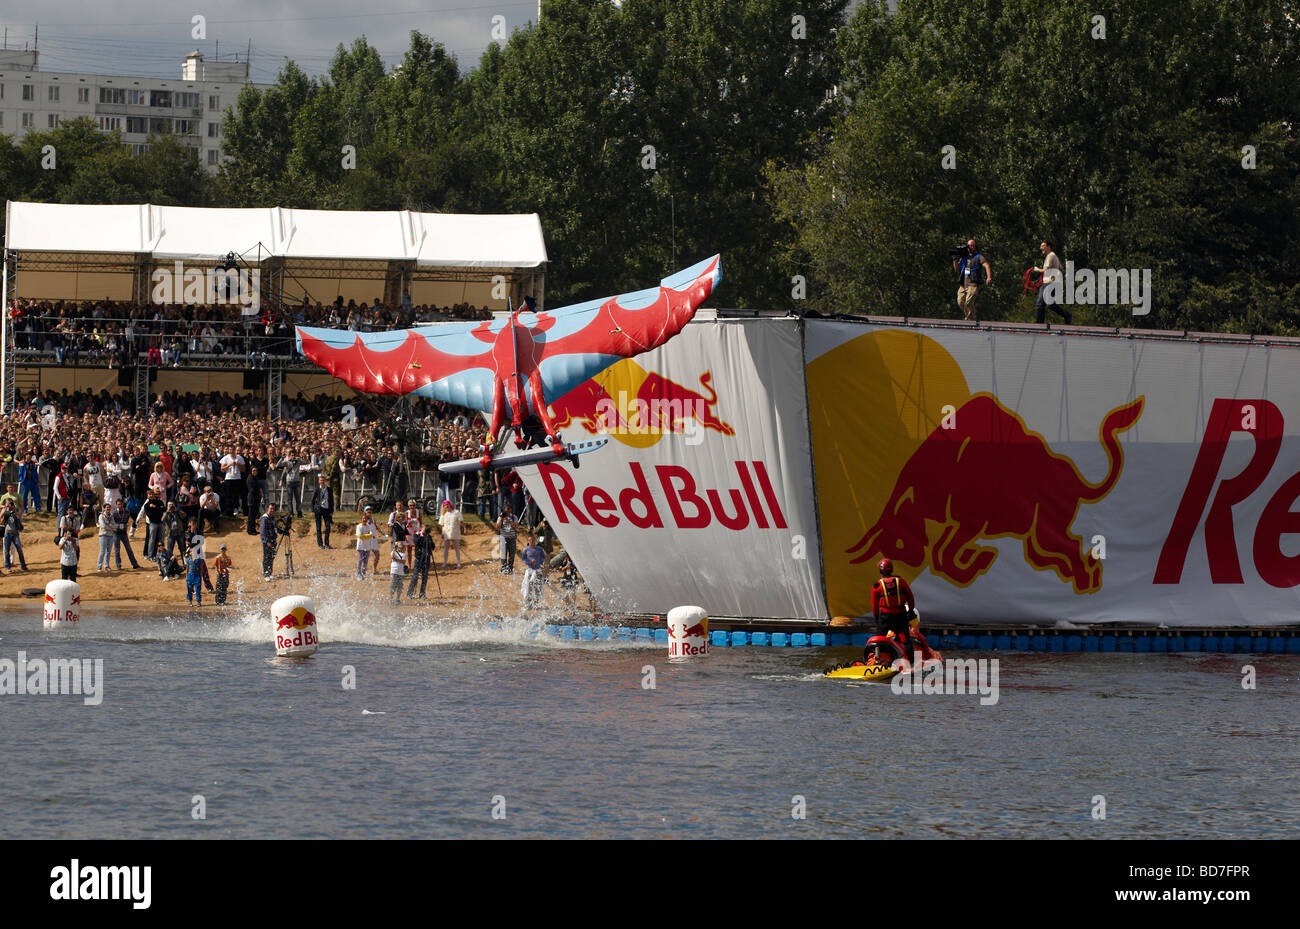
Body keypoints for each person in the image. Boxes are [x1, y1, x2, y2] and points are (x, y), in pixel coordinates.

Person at [871, 558, 917, 661]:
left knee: (879, 639)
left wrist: (876, 618)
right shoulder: (900, 581)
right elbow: (910, 597)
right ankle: (912, 663)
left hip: (885, 617)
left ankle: (876, 660)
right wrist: (910, 610)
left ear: (880, 570)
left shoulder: (877, 585)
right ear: (891, 569)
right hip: (900, 615)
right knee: (905, 640)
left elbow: (874, 605)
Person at [1032, 239, 1072, 324]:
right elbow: (1061, 268)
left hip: (1049, 283)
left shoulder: (1050, 255)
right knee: (1050, 305)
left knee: (1040, 304)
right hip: (1051, 283)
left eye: (1043, 246)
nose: (1041, 248)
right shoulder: (1054, 256)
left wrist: (1036, 269)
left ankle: (1039, 325)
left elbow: (1045, 269)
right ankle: (1066, 315)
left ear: (1048, 247)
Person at [953, 238, 992, 321]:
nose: (971, 247)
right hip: (963, 284)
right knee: (960, 302)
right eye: (969, 245)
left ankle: (969, 318)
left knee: (968, 302)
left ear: (975, 247)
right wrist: (955, 260)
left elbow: (987, 265)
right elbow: (957, 269)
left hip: (973, 284)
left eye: (972, 245)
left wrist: (989, 277)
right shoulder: (963, 257)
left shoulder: (979, 257)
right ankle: (973, 313)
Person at [355, 506, 386, 579]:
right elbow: (359, 511)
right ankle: (360, 572)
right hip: (366, 541)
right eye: (367, 510)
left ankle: (374, 569)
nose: (369, 511)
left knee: (377, 555)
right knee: (362, 558)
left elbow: (376, 527)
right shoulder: (363, 520)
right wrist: (360, 503)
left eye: (370, 510)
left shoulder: (373, 519)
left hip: (373, 539)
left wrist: (383, 533)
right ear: (365, 512)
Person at [111, 498, 142, 570]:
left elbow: (127, 520)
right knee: (117, 550)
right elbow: (112, 523)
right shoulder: (114, 513)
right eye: (118, 504)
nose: (120, 505)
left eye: (121, 504)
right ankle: (118, 565)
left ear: (123, 504)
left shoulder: (127, 512)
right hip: (116, 533)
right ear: (116, 505)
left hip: (124, 533)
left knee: (129, 549)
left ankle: (135, 564)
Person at [407, 523, 434, 600]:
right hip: (419, 558)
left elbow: (433, 547)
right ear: (421, 528)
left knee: (425, 577)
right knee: (415, 576)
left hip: (426, 558)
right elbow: (417, 543)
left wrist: (428, 539)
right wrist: (422, 535)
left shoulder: (429, 537)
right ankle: (410, 593)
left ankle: (422, 594)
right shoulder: (417, 535)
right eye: (425, 529)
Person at [520, 533, 545, 610]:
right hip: (529, 570)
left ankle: (537, 603)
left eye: (533, 540)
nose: (532, 542)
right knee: (528, 586)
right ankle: (528, 604)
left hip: (538, 569)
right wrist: (529, 562)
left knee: (538, 586)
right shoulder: (526, 549)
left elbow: (543, 557)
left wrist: (540, 561)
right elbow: (523, 559)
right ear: (528, 541)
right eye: (530, 540)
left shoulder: (539, 549)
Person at [2, 502, 28, 571]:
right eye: (8, 504)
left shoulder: (16, 510)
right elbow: (1, 519)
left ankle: (23, 565)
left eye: (10, 504)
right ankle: (7, 566)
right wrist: (4, 510)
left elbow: (19, 516)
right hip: (7, 533)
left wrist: (14, 510)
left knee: (19, 549)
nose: (9, 506)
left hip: (15, 533)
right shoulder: (5, 512)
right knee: (6, 550)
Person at [310, 475, 334, 548]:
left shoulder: (329, 490)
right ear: (318, 481)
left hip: (326, 510)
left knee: (327, 527)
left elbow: (332, 501)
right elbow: (312, 500)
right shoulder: (317, 489)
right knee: (318, 527)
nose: (322, 482)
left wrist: (331, 510)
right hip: (318, 510)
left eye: (323, 480)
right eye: (320, 480)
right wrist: (312, 510)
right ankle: (320, 544)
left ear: (325, 481)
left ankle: (327, 544)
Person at [439, 499, 464, 568]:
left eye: (447, 504)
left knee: (457, 548)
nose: (446, 506)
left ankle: (459, 563)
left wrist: (463, 528)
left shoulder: (456, 512)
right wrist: (442, 533)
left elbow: (461, 521)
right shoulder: (443, 515)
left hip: (455, 532)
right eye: (445, 505)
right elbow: (442, 525)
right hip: (446, 532)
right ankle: (445, 562)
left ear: (450, 504)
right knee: (446, 548)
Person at [496, 502, 519, 574]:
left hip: (512, 538)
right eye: (506, 511)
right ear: (504, 510)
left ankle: (510, 568)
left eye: (509, 511)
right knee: (503, 553)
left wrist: (508, 520)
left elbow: (516, 526)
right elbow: (497, 527)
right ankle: (504, 568)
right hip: (503, 537)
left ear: (511, 510)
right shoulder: (500, 517)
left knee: (512, 554)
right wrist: (502, 519)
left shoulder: (514, 517)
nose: (507, 512)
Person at [260, 502, 278, 580]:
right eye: (271, 508)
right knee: (266, 557)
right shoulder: (264, 518)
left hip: (273, 540)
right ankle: (266, 574)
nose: (272, 510)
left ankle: (270, 572)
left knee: (272, 557)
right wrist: (267, 542)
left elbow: (275, 529)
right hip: (267, 542)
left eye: (273, 509)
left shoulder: (273, 518)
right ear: (268, 509)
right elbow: (263, 532)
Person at [185, 538, 204, 606]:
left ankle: (198, 601)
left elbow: (202, 568)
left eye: (193, 551)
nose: (192, 552)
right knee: (189, 588)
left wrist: (201, 576)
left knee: (198, 589)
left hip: (197, 575)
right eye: (190, 552)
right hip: (190, 575)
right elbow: (187, 568)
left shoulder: (200, 559)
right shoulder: (188, 559)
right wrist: (187, 576)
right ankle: (190, 601)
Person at [97, 500, 115, 571]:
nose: (108, 509)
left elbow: (115, 525)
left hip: (110, 535)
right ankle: (99, 566)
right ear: (104, 508)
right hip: (103, 535)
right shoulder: (101, 516)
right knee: (102, 551)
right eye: (107, 507)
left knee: (108, 551)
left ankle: (106, 566)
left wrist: (110, 526)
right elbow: (103, 526)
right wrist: (111, 527)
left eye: (109, 508)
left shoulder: (111, 516)